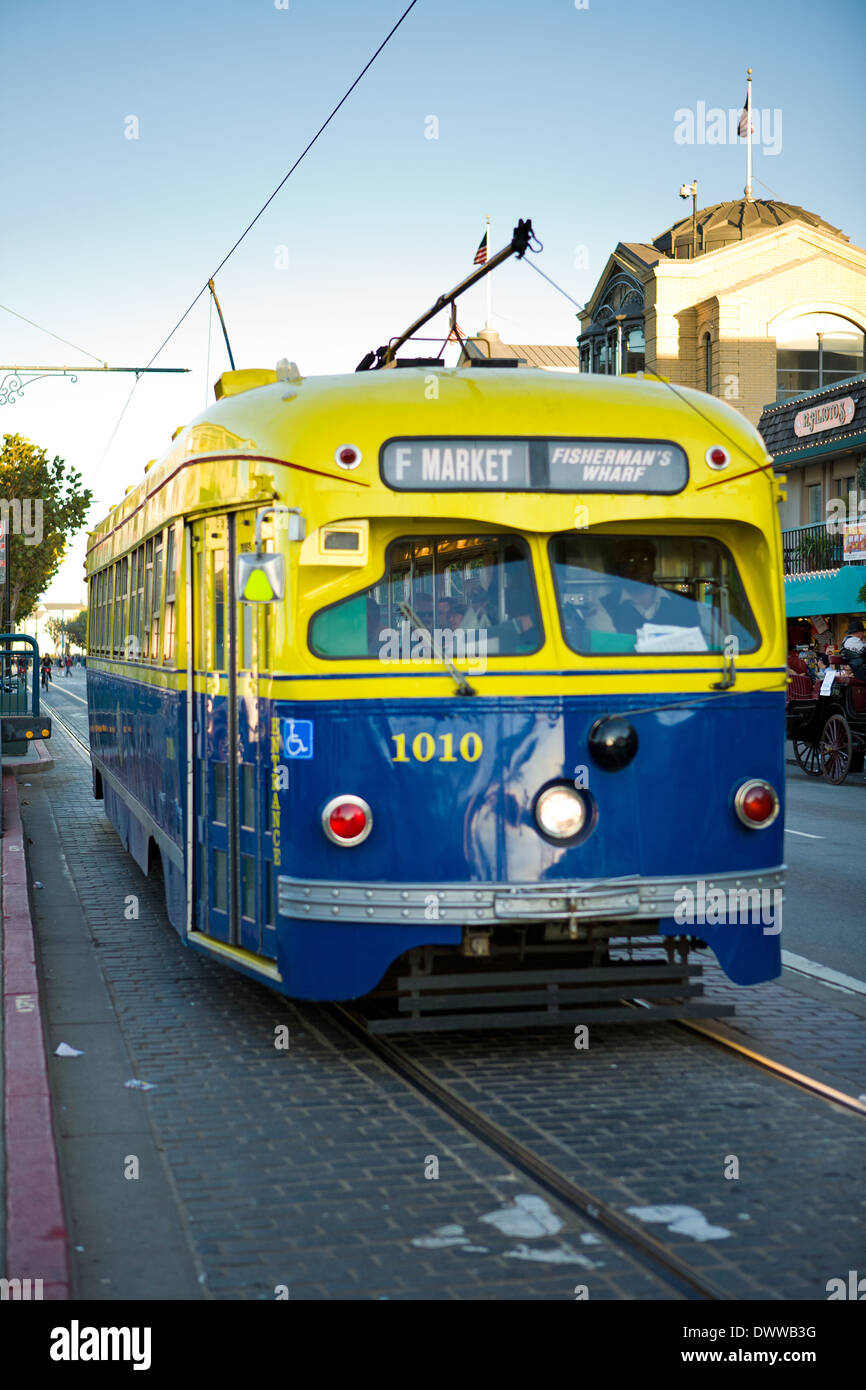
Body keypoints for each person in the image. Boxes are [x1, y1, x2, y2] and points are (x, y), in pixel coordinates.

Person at [605, 539, 699, 635]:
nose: (639, 567)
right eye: (630, 561)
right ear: (619, 569)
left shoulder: (686, 602)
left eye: (645, 560)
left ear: (653, 565)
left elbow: (706, 641)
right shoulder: (605, 606)